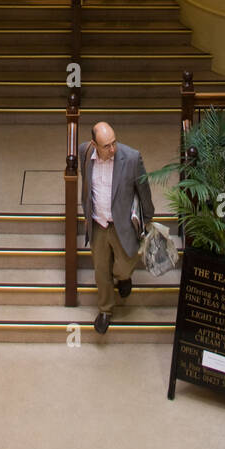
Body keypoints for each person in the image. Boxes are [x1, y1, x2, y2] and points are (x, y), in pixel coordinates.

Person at [79, 121, 154, 334]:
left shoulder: (131, 158)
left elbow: (144, 189)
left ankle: (123, 277)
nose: (112, 149)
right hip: (98, 223)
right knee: (101, 270)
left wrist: (148, 217)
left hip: (122, 223)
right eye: (106, 146)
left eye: (114, 142)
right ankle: (105, 310)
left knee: (127, 260)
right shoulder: (85, 152)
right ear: (94, 144)